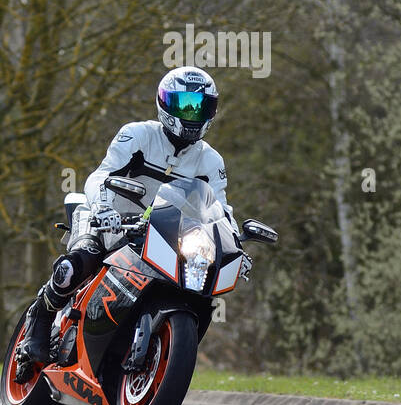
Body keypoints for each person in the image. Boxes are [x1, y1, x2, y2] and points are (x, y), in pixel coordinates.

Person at [15, 66, 240, 373]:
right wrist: (104, 209)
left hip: (164, 235)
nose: (192, 113)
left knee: (198, 284)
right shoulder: (137, 134)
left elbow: (221, 208)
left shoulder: (210, 160)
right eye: (185, 104)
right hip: (110, 220)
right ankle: (39, 317)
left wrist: (233, 242)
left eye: (200, 106)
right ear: (165, 103)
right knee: (75, 266)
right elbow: (100, 175)